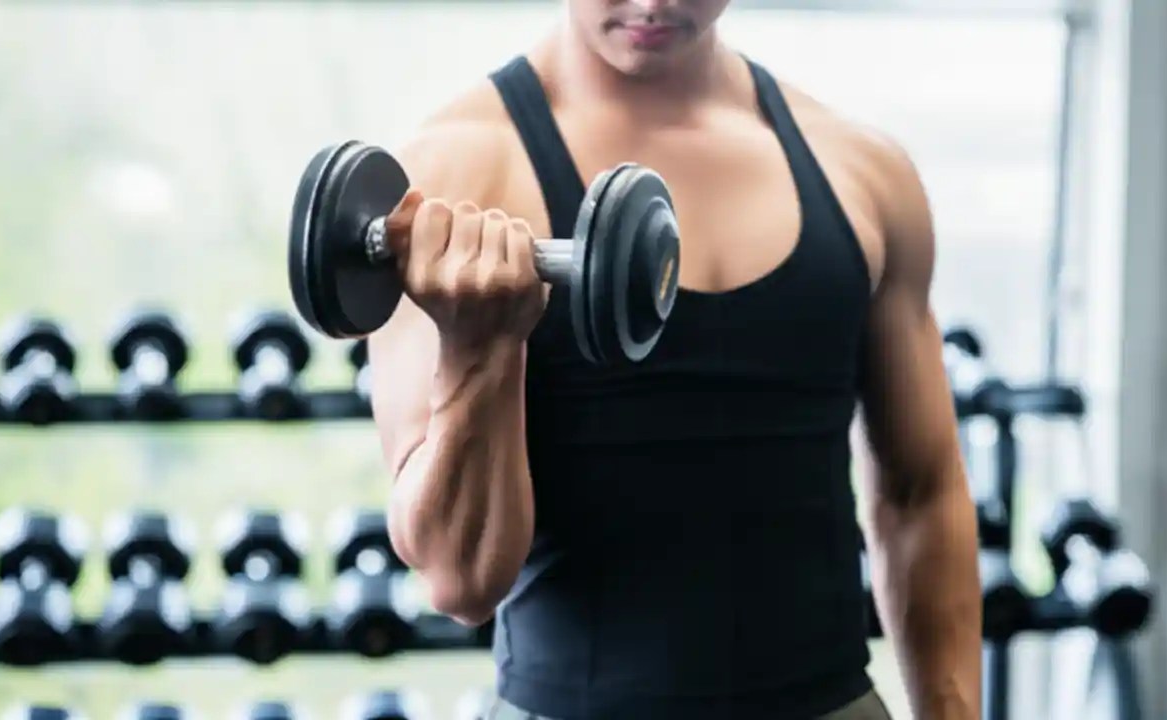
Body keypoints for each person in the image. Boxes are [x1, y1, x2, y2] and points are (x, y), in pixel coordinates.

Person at [368, 1, 983, 718]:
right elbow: (457, 582)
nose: (656, 1)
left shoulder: (863, 173)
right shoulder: (448, 177)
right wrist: (479, 348)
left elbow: (922, 493)